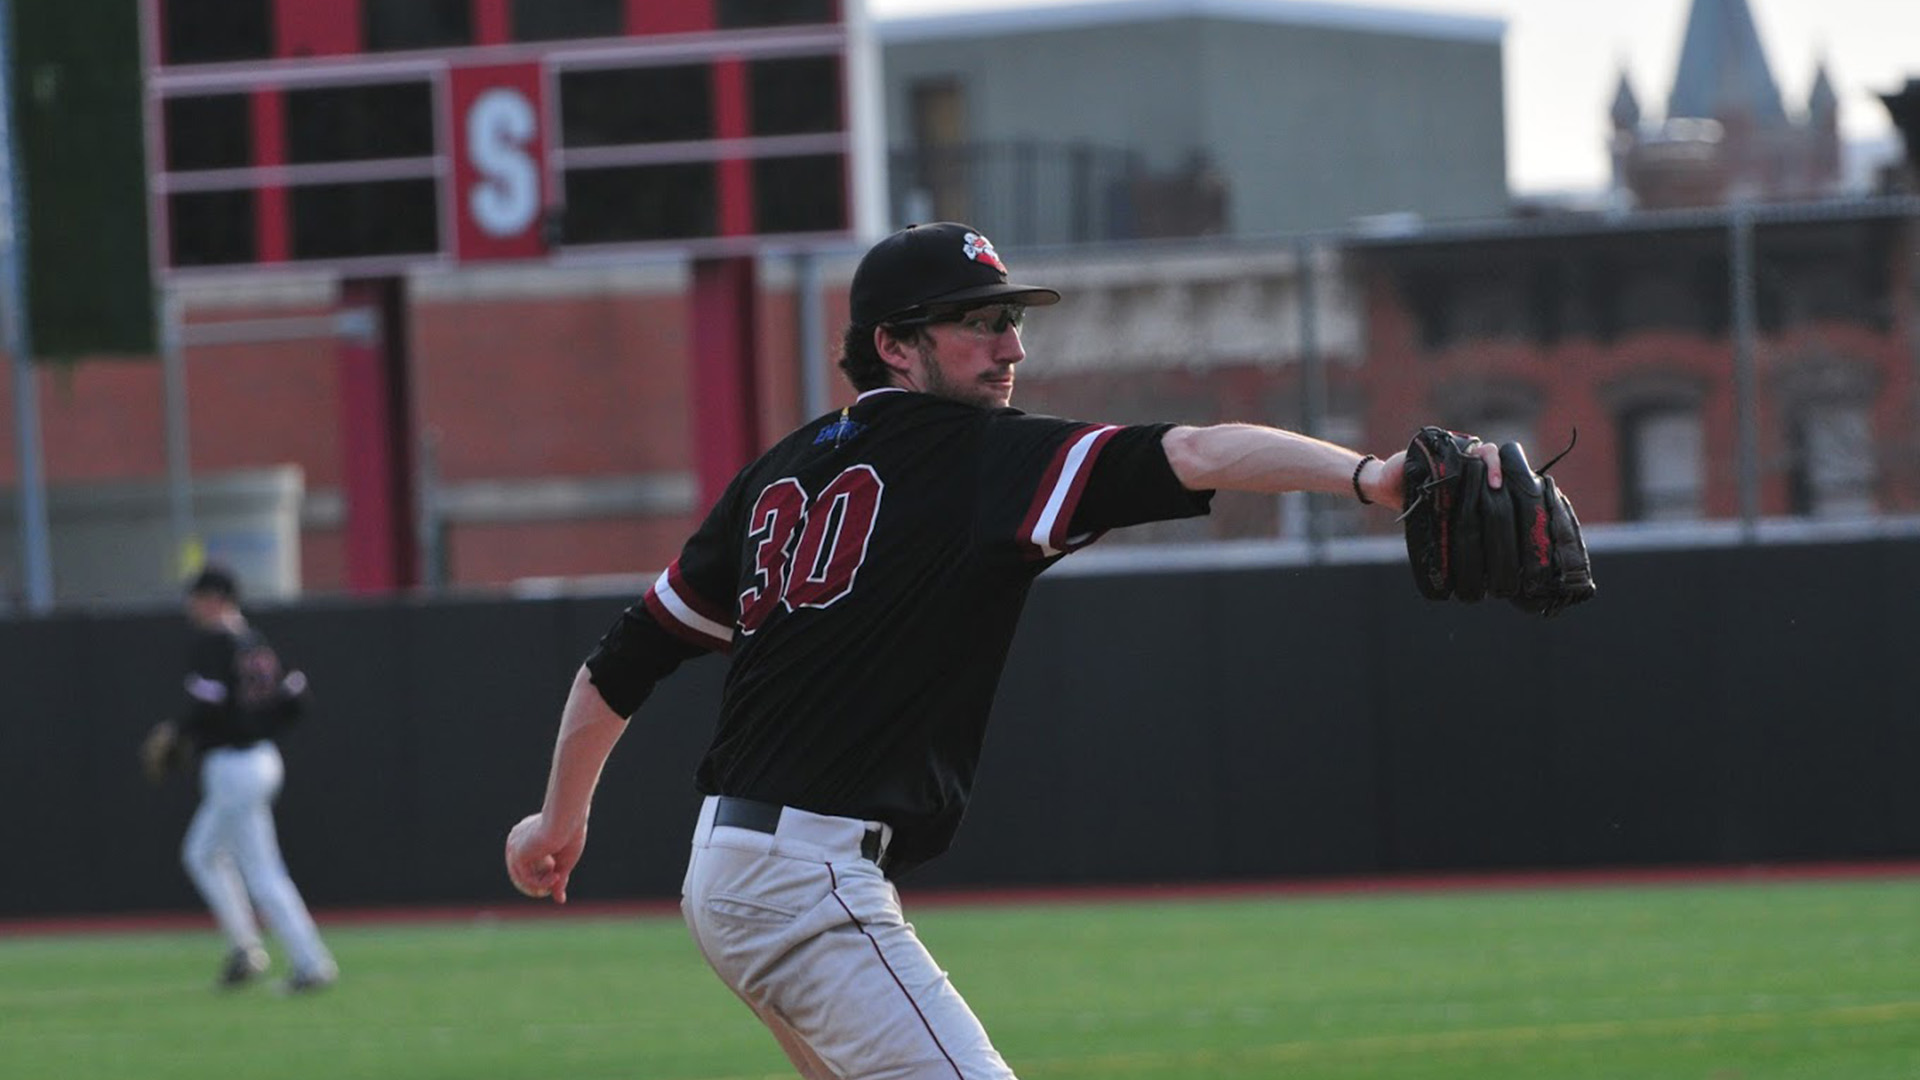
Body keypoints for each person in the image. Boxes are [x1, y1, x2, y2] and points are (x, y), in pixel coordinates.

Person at [504, 221, 1501, 1077]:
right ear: (895, 345)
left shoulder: (782, 472)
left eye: (1011, 319)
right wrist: (1370, 475)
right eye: (977, 323)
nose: (1009, 345)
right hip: (804, 881)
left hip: (729, 874)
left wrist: (557, 819)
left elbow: (628, 655)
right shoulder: (979, 458)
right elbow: (1195, 452)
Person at [171, 565, 338, 993]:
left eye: (198, 596)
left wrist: (179, 735)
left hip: (234, 764)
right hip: (260, 758)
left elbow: (207, 707)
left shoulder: (215, 641)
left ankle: (309, 962)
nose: (192, 605)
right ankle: (247, 948)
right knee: (202, 852)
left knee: (261, 871)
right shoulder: (253, 641)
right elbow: (293, 700)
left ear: (216, 598)